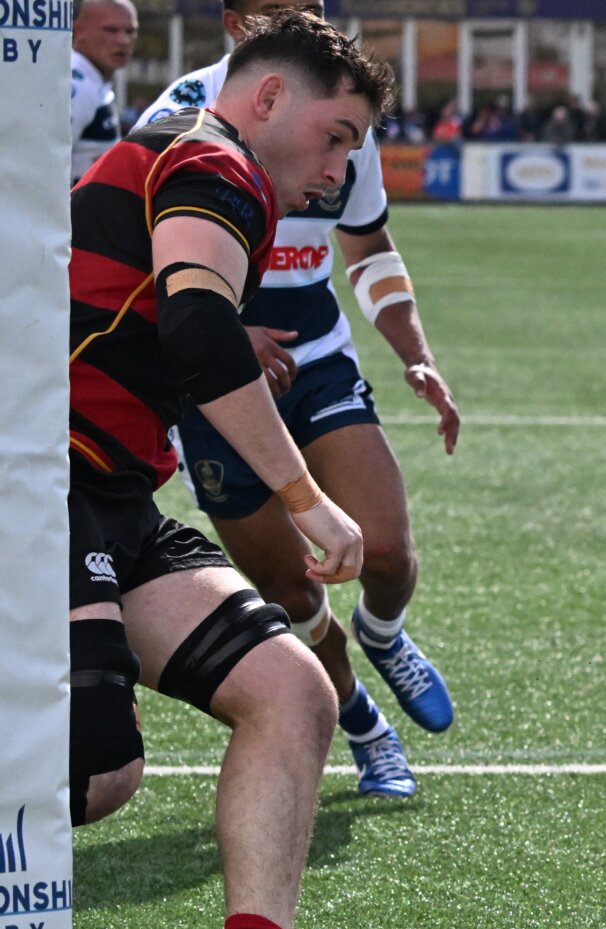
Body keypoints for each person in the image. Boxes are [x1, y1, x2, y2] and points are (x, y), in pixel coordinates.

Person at [70, 7, 416, 929]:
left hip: (110, 493)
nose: (342, 164)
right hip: (45, 480)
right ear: (269, 99)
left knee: (291, 690)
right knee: (96, 771)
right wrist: (304, 497)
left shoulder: (227, 179)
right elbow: (199, 324)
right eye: (339, 134)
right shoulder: (210, 160)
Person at [134, 0, 462, 798]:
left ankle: (384, 634)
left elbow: (368, 243)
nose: (312, 20)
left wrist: (416, 356)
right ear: (237, 24)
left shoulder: (338, 112)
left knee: (383, 546)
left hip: (314, 352)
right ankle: (363, 727)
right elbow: (145, 254)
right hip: (216, 385)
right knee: (291, 594)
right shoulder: (182, 115)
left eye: (316, 7)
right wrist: (220, 328)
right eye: (287, 10)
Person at [69, 0, 138, 182]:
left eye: (130, 31)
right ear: (78, 31)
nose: (123, 40)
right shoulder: (77, 87)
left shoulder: (94, 82)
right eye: (111, 30)